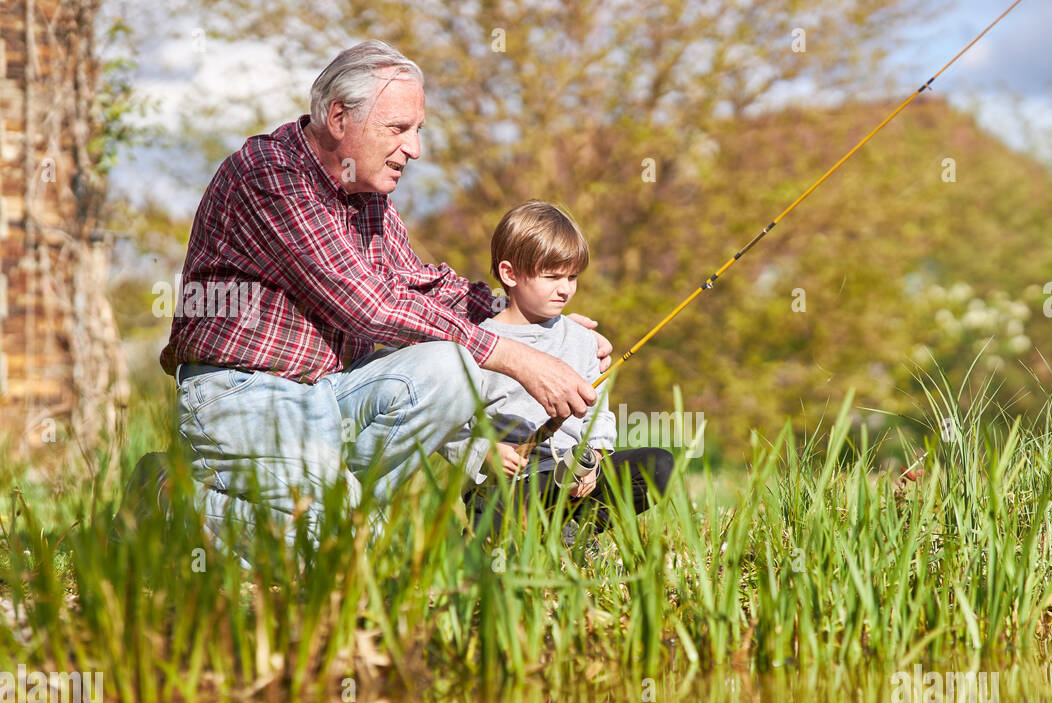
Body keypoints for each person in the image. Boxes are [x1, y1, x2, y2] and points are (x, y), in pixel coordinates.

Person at [123, 40, 613, 555]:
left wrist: (529, 322)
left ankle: (350, 521)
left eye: (418, 130)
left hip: (331, 392)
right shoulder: (269, 173)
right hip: (242, 394)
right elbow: (366, 303)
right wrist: (517, 356)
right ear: (339, 117)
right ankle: (165, 500)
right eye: (399, 129)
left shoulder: (369, 198)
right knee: (337, 543)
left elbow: (422, 286)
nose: (415, 149)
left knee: (453, 365)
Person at [442, 201, 673, 542]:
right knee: (494, 528)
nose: (565, 289)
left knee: (659, 465)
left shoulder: (583, 341)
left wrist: (593, 458)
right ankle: (527, 535)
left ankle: (572, 533)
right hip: (510, 487)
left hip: (570, 479)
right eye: (552, 277)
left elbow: (599, 415)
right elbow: (445, 425)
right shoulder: (480, 344)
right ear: (510, 274)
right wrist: (486, 452)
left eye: (572, 277)